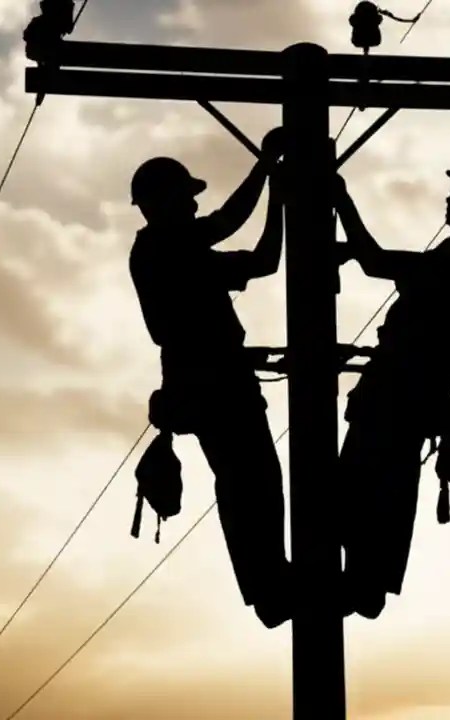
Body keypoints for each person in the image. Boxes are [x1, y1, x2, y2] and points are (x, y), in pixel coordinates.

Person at [333, 153, 450, 620]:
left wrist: (341, 201)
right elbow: (379, 263)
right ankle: (363, 581)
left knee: (364, 487)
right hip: (407, 389)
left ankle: (363, 583)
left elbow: (377, 264)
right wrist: (353, 248)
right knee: (369, 488)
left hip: (404, 390)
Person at [128, 130, 291, 628]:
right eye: (186, 197)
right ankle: (268, 587)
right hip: (211, 385)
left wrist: (278, 194)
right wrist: (266, 168)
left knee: (254, 480)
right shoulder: (163, 246)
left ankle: (271, 584)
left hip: (215, 381)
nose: (195, 207)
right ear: (159, 203)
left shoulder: (180, 252)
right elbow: (229, 222)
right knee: (250, 480)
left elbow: (264, 261)